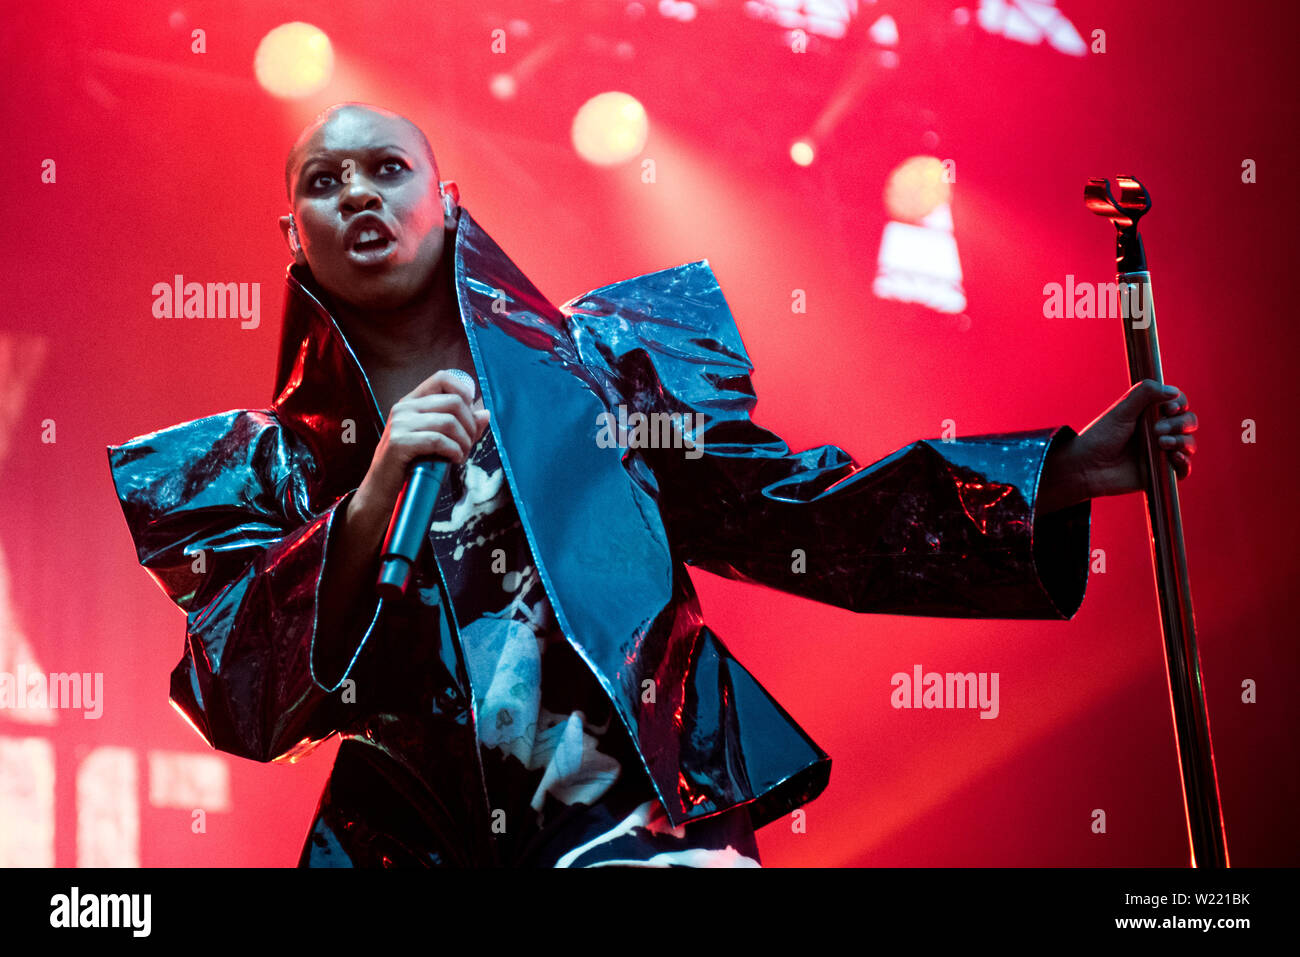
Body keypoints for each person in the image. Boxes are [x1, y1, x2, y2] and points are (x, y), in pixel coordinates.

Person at [106, 103, 1198, 867]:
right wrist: (370, 500)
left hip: (636, 821)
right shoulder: (253, 467)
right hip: (410, 839)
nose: (356, 193)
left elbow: (785, 514)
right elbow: (242, 703)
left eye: (386, 168)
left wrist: (1049, 476)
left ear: (447, 199)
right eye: (322, 181)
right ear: (290, 235)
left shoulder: (605, 366)